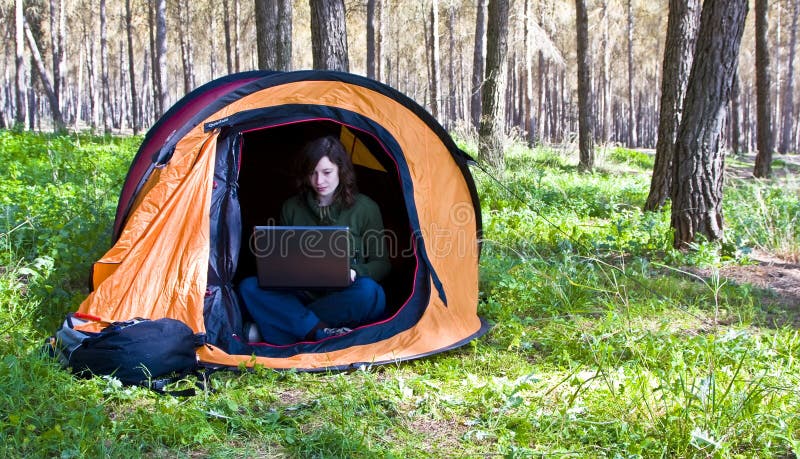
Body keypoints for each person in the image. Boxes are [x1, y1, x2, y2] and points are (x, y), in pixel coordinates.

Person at [239, 135, 391, 345]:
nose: (319, 181)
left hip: (344, 295)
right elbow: (282, 261)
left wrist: (356, 273)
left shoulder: (366, 208)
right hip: (300, 294)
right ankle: (322, 333)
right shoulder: (291, 208)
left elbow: (382, 264)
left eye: (327, 172)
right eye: (313, 173)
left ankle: (280, 330)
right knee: (249, 286)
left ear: (341, 170)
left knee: (371, 293)